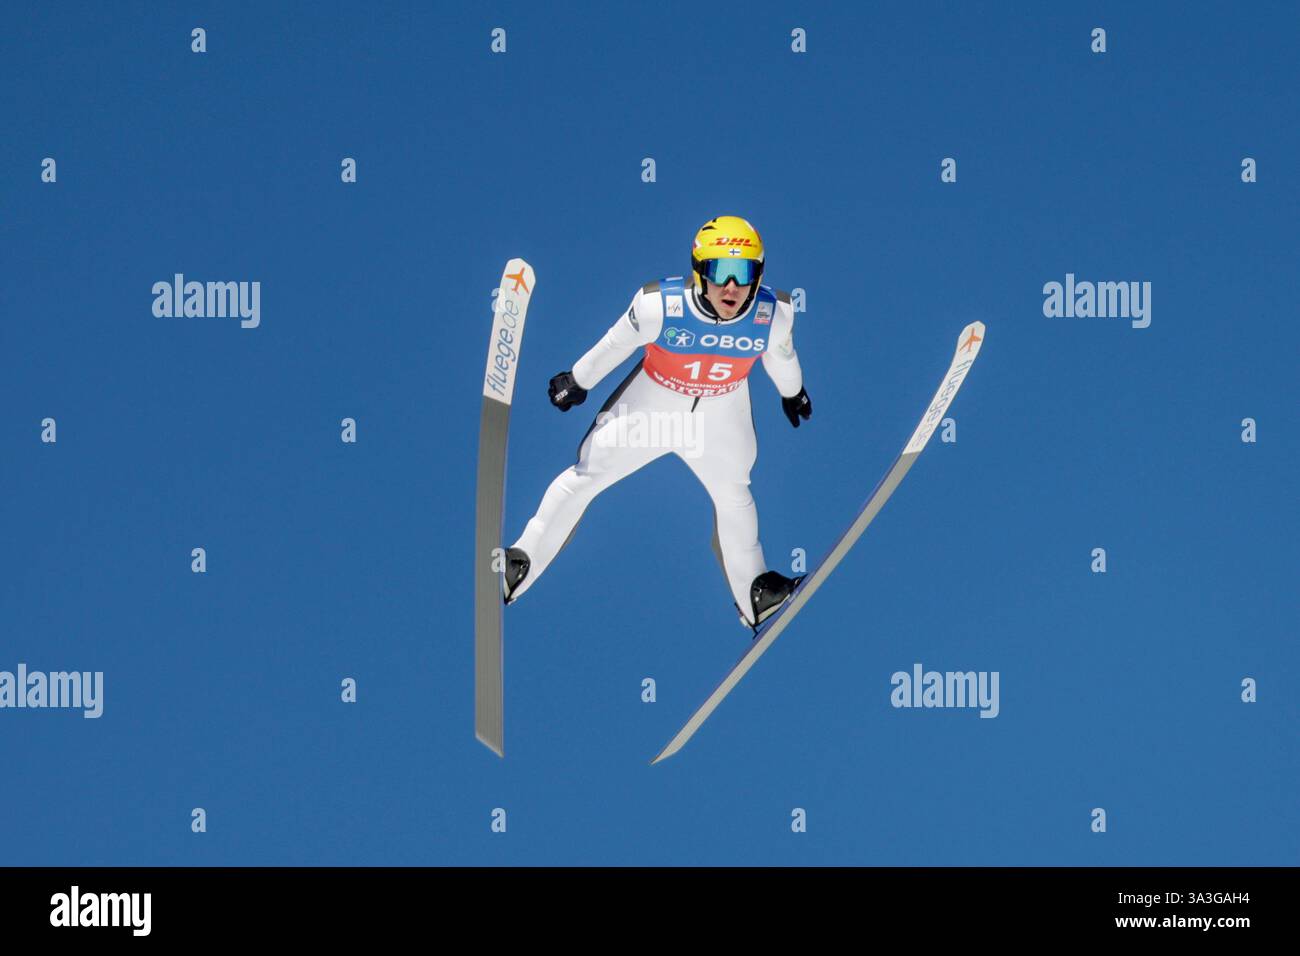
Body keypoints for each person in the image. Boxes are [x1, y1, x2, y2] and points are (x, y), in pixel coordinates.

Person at [503, 216, 812, 630]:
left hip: (719, 417)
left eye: (745, 273)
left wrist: (793, 392)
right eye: (721, 272)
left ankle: (755, 594)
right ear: (700, 272)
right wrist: (578, 380)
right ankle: (520, 562)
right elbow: (615, 343)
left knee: (734, 493)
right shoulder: (659, 305)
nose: (732, 288)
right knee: (588, 474)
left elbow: (783, 357)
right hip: (653, 408)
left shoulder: (773, 314)